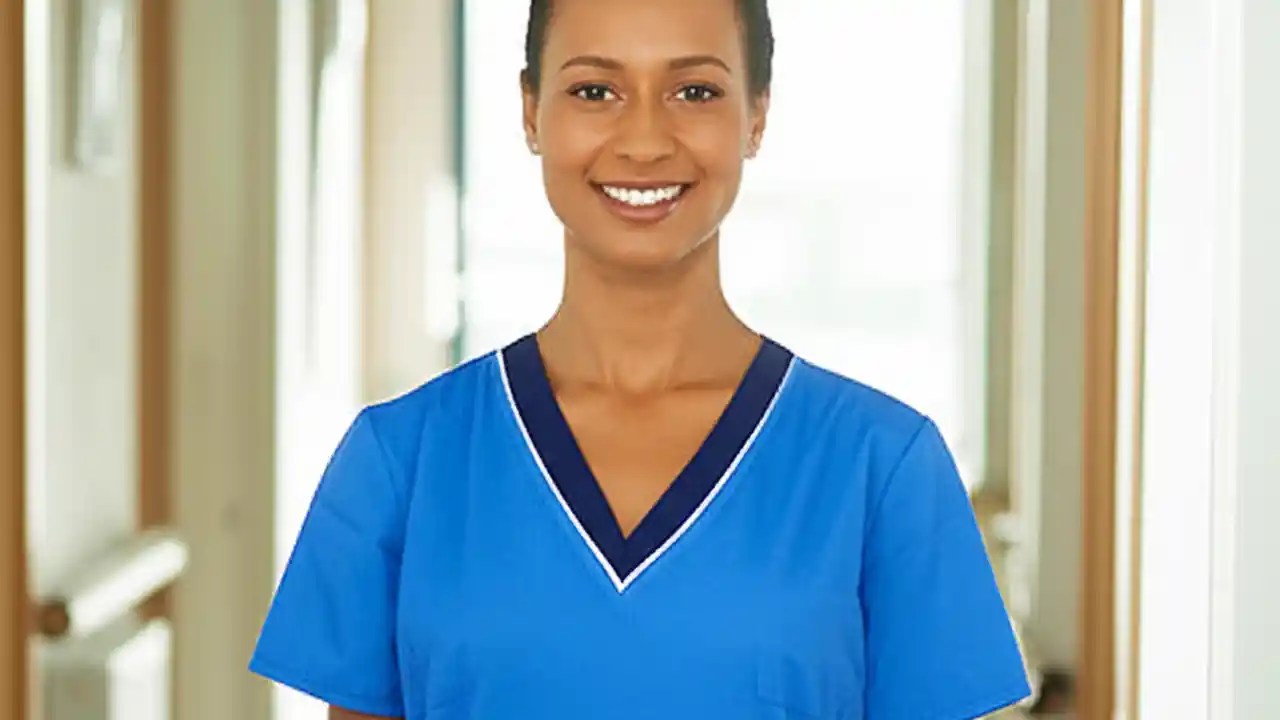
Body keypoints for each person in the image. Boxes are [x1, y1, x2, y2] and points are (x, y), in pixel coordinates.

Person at [249, 0, 1032, 717]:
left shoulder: (883, 469)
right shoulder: (400, 464)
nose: (646, 139)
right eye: (595, 91)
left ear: (757, 115)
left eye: (694, 92)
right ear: (531, 111)